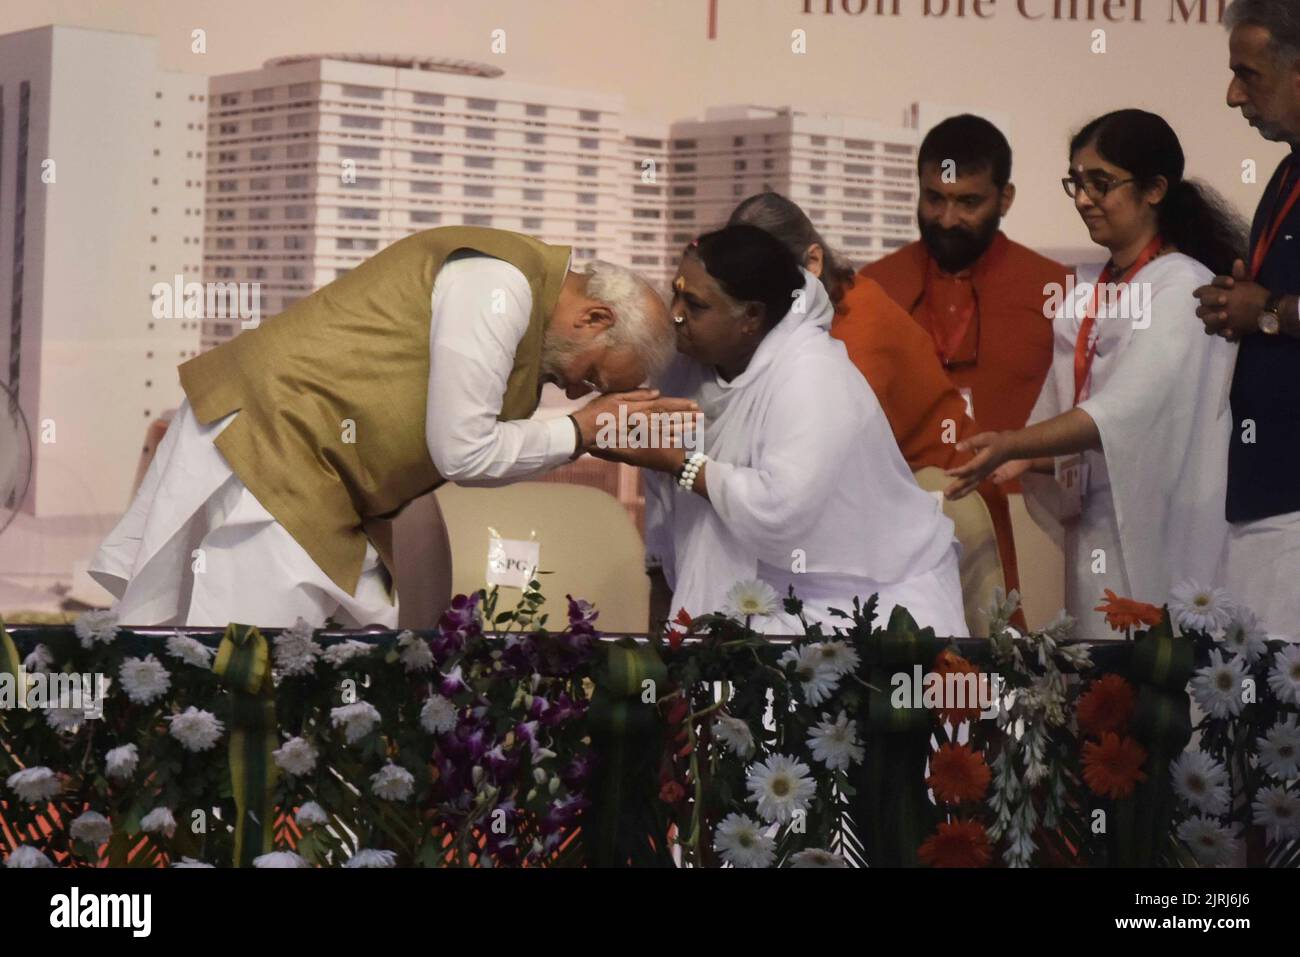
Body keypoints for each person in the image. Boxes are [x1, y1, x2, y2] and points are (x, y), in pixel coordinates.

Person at [89, 226, 687, 628]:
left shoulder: (517, 301)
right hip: (268, 454)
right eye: (594, 374)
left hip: (306, 477)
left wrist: (587, 428)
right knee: (252, 682)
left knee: (309, 675)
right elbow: (464, 452)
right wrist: (584, 431)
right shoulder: (497, 287)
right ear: (594, 315)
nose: (578, 391)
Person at [945, 111, 1244, 631]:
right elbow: (1077, 427)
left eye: (1100, 183)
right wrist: (1024, 460)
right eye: (1076, 183)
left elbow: (1123, 416)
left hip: (1158, 532)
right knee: (1097, 692)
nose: (1084, 198)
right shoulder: (1091, 293)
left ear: (1154, 189)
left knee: (1155, 693)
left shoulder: (1182, 287)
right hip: (1096, 533)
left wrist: (1018, 442)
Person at [611, 224, 966, 636]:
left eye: (694, 304)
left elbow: (781, 511)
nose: (675, 313)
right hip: (753, 601)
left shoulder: (812, 374)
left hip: (863, 607)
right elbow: (665, 503)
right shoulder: (682, 367)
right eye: (675, 292)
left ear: (751, 317)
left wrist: (678, 463)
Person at [728, 192, 1023, 617]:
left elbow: (821, 463)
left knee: (972, 664)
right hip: (872, 507)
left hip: (943, 492)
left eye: (765, 283)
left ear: (813, 263)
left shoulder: (857, 326)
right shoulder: (806, 318)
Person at [860, 115, 1068, 446]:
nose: (947, 219)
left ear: (1005, 199)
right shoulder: (872, 287)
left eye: (968, 202)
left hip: (1019, 496)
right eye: (934, 198)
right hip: (899, 494)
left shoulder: (1059, 290)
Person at [1195, 0, 1300, 641]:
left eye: (1249, 73)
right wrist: (1248, 309)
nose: (1234, 95)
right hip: (1266, 495)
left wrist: (1262, 311)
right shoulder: (1288, 173)